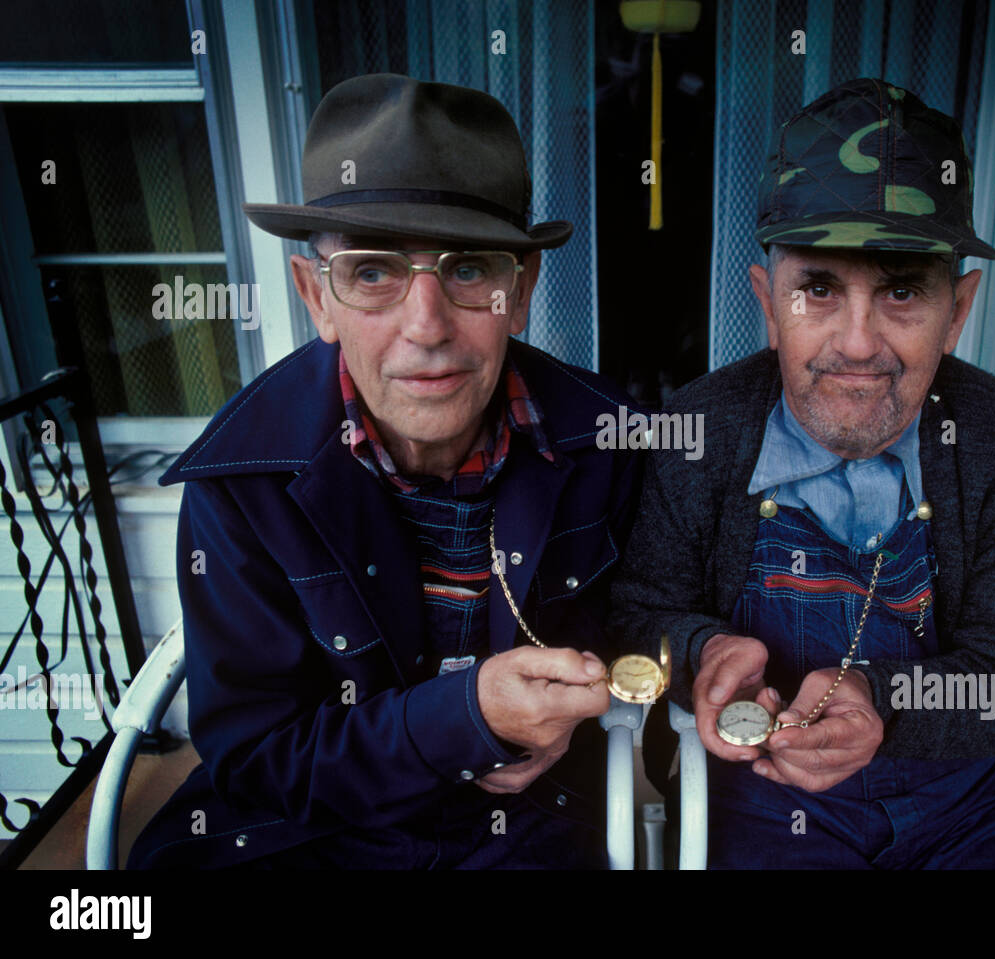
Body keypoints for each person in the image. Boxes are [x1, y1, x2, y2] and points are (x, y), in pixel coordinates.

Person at [128, 74, 640, 869]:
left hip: (523, 821)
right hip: (306, 829)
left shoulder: (605, 438)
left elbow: (641, 623)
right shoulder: (240, 478)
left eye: (470, 269)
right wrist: (463, 719)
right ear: (316, 297)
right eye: (373, 272)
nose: (426, 326)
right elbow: (254, 758)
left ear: (522, 289)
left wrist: (588, 704)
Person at [610, 77, 995, 868]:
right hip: (769, 797)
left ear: (960, 309)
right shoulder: (699, 430)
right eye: (820, 289)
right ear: (769, 305)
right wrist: (703, 651)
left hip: (974, 799)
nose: (860, 343)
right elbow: (638, 612)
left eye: (903, 290)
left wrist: (885, 698)